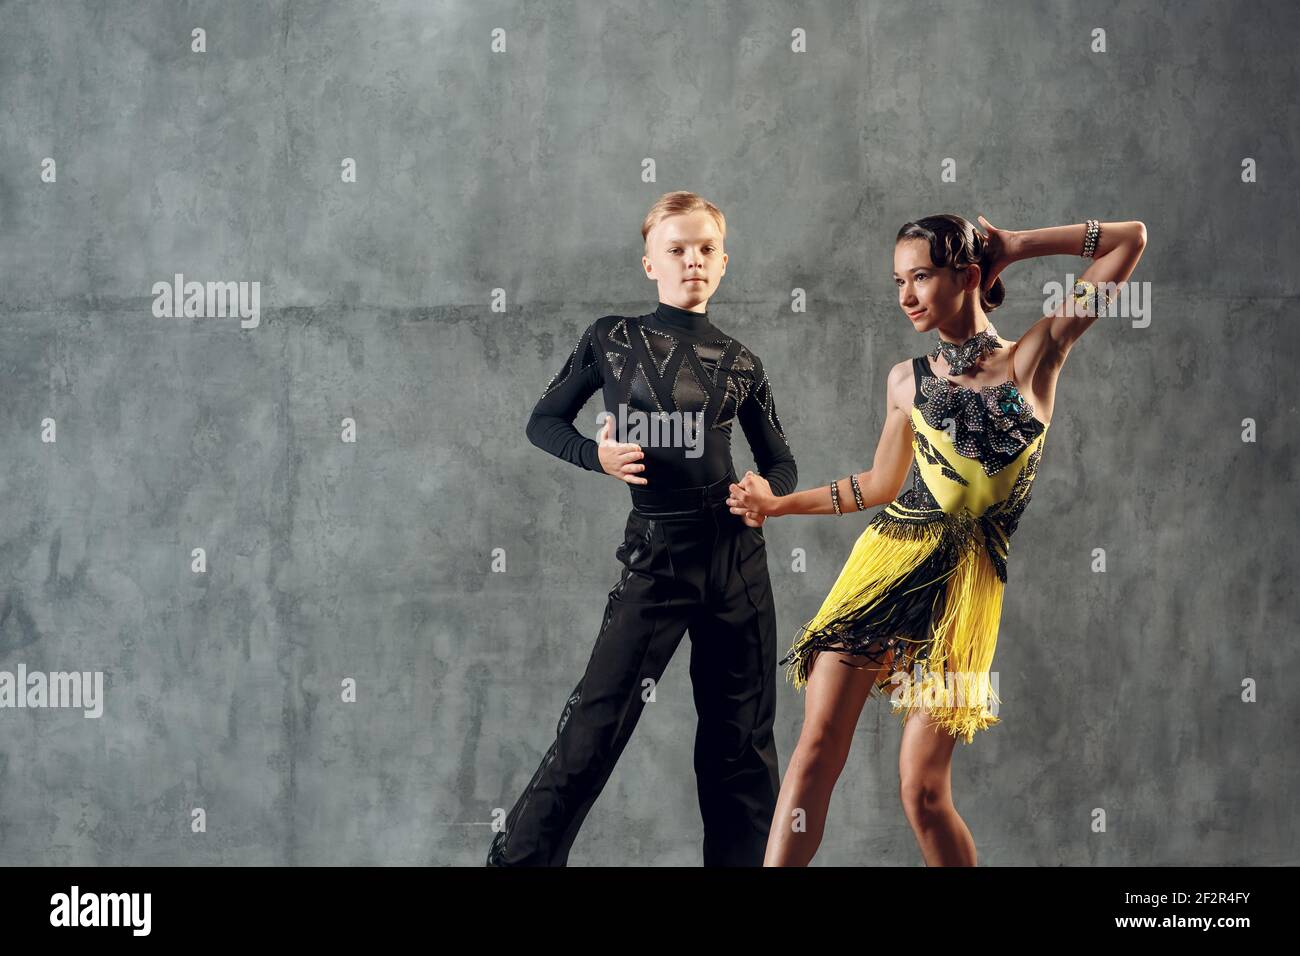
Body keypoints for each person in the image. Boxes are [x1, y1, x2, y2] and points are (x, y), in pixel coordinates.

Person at [727, 213, 1147, 866]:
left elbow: (1130, 240)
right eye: (899, 280)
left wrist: (1017, 245)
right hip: (882, 569)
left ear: (969, 276)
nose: (906, 295)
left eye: (920, 275)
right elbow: (877, 484)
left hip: (962, 596)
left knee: (922, 790)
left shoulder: (1036, 356)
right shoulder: (905, 380)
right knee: (814, 752)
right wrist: (780, 505)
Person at [487, 190, 798, 866]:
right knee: (597, 721)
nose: (693, 260)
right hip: (660, 552)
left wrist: (767, 492)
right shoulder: (613, 338)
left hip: (738, 557)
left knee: (742, 738)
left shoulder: (743, 361)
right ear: (649, 264)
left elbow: (780, 461)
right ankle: (519, 860)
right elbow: (544, 421)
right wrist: (595, 456)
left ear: (723, 264)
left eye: (706, 249)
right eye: (676, 249)